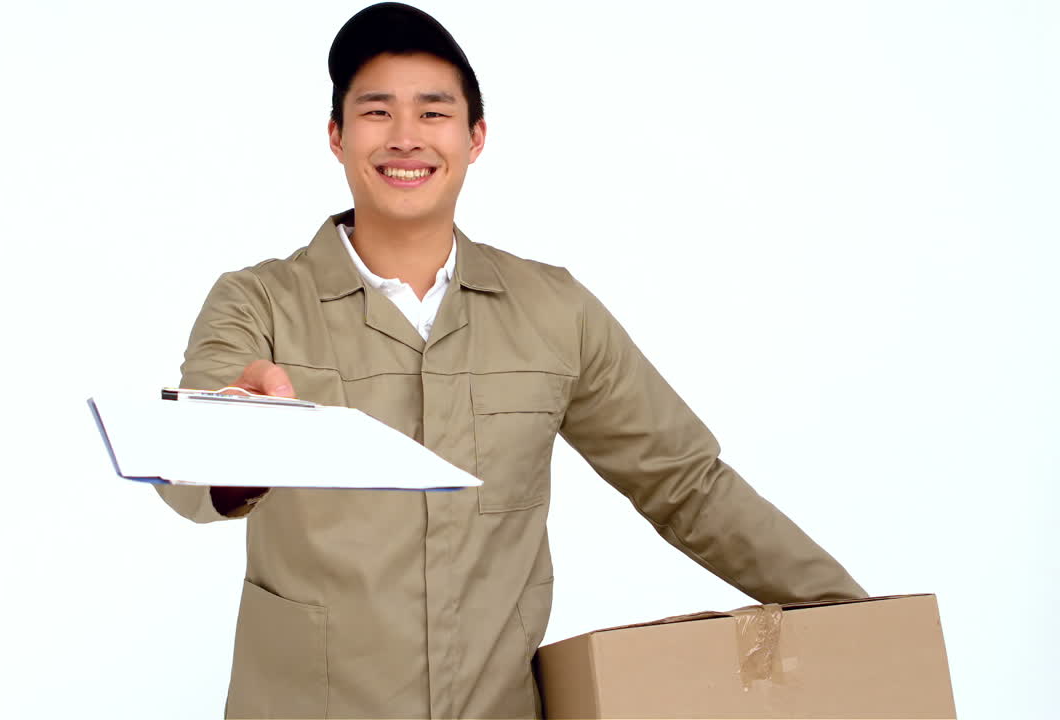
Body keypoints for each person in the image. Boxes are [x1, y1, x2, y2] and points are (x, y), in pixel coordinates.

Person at [154, 3, 866, 718]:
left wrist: (862, 621)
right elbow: (183, 466)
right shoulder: (258, 302)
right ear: (337, 136)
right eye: (376, 112)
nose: (405, 136)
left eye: (433, 113)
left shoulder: (553, 311)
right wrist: (236, 442)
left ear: (476, 137)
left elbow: (686, 485)